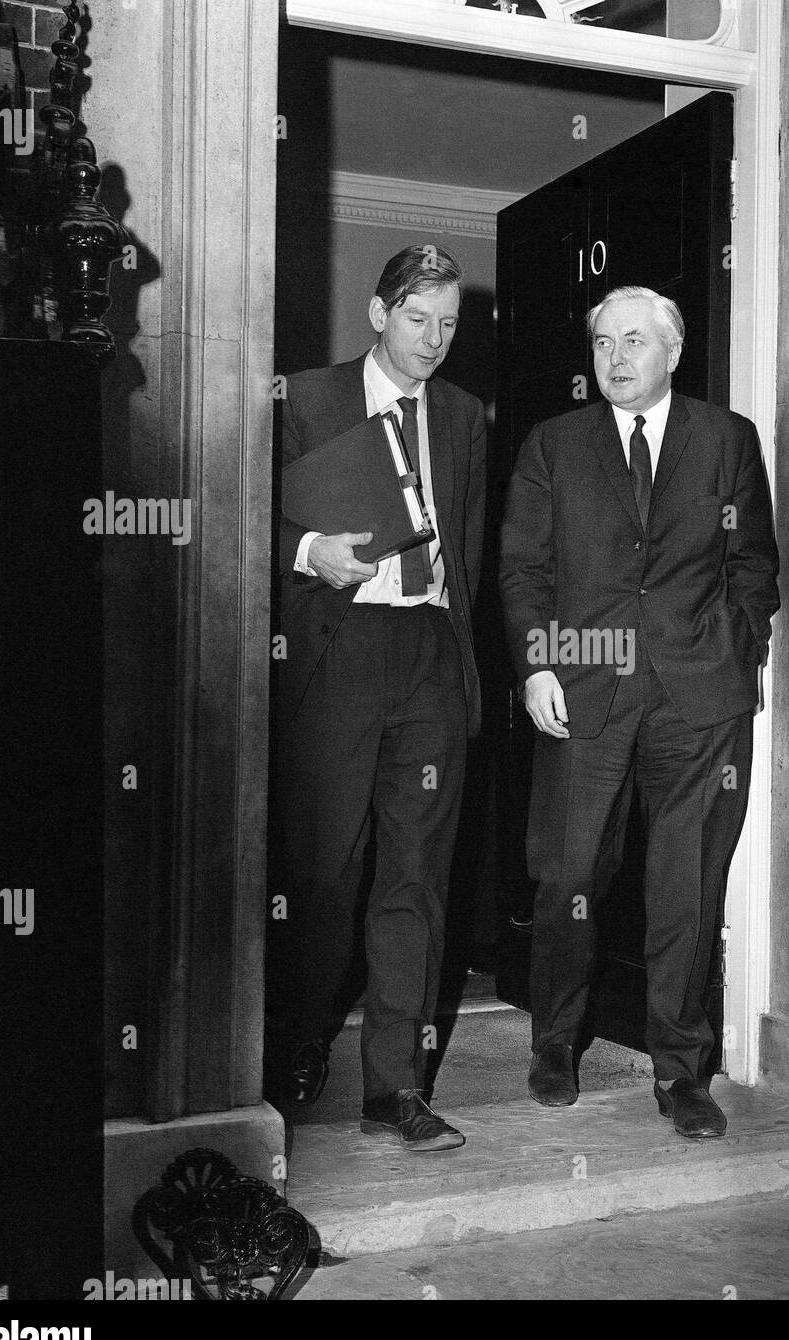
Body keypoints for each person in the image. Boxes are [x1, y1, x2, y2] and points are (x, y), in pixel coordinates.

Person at [499, 285, 779, 1138]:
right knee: (568, 877)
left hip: (699, 698)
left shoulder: (725, 439)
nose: (614, 359)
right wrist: (538, 663)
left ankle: (680, 1072)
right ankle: (554, 1046)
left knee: (686, 887)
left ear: (672, 350)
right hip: (583, 690)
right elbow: (522, 570)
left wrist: (736, 648)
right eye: (601, 343)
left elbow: (754, 562)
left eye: (632, 342)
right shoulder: (553, 445)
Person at [268, 245, 485, 1151]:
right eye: (415, 318)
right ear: (376, 312)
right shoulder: (303, 398)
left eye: (446, 323)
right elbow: (247, 509)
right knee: (319, 875)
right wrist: (307, 553)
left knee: (414, 882)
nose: (432, 340)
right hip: (337, 652)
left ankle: (393, 1087)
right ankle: (292, 1048)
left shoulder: (468, 417)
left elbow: (468, 553)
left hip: (428, 653)